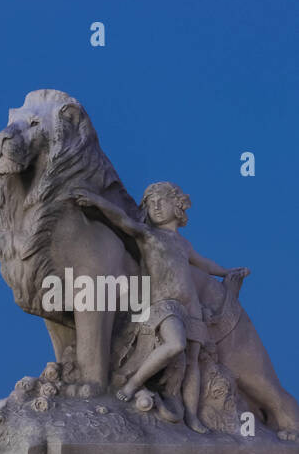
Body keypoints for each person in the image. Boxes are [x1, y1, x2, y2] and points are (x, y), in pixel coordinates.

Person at [71, 182, 248, 433]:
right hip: (164, 304)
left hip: (191, 306)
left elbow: (205, 265)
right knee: (175, 344)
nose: (154, 206)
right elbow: (121, 219)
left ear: (177, 206)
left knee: (192, 363)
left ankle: (191, 416)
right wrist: (98, 202)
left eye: (160, 200)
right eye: (150, 202)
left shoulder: (184, 244)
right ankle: (133, 384)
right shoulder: (147, 234)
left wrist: (228, 272)